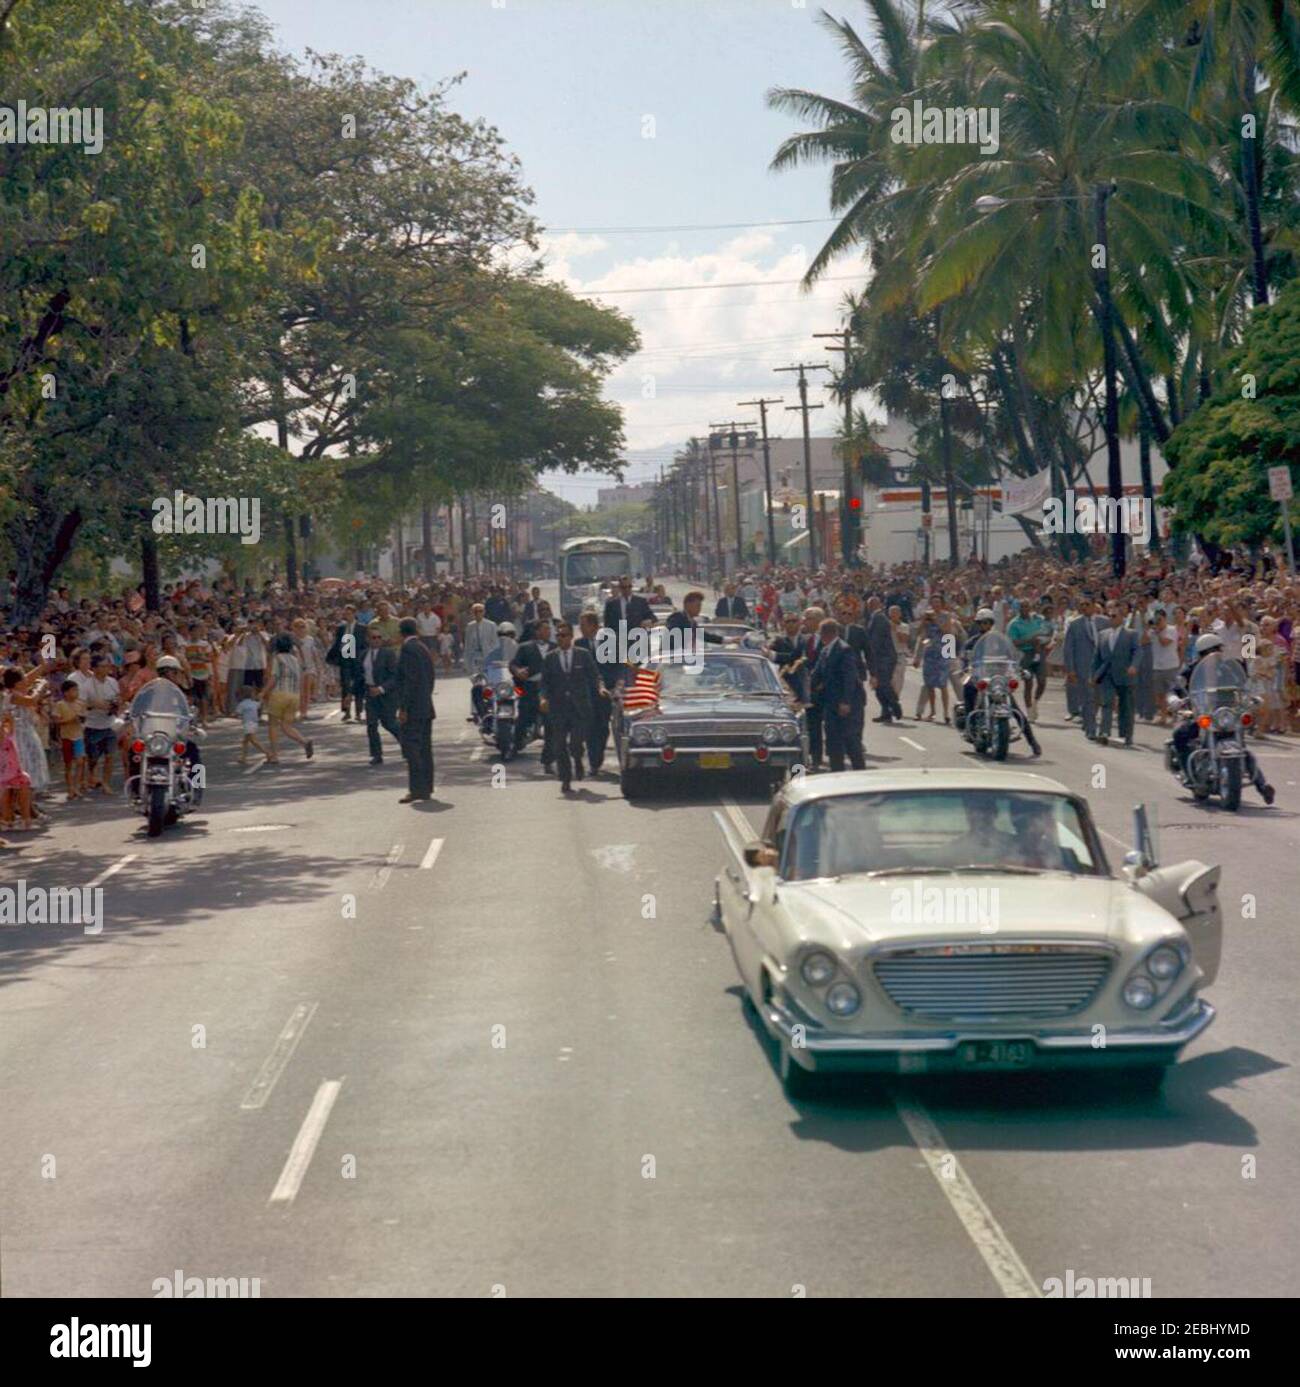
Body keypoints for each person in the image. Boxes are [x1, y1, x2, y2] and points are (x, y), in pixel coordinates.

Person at [541, 621, 601, 792]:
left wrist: (601, 688)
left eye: (564, 635)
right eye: (558, 636)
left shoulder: (583, 655)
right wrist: (543, 698)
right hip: (558, 708)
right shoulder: (550, 657)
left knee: (575, 743)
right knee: (559, 745)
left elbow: (594, 676)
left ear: (571, 637)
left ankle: (577, 759)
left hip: (579, 708)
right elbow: (544, 682)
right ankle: (565, 778)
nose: (561, 638)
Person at [809, 618, 866, 771]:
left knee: (850, 740)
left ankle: (860, 773)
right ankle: (837, 773)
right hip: (831, 702)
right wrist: (804, 691)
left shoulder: (844, 649)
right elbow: (817, 675)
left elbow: (850, 678)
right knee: (833, 740)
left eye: (821, 633)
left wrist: (845, 702)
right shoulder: (826, 650)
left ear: (826, 633)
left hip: (846, 703)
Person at [395, 617, 436, 802]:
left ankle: (418, 788)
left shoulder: (408, 649)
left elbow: (409, 681)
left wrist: (404, 708)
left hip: (414, 708)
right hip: (425, 704)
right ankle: (426, 787)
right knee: (425, 749)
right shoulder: (422, 648)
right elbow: (430, 677)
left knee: (412, 749)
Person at [1091, 603, 1139, 748]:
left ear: (1122, 618)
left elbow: (1137, 652)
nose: (1111, 619)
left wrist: (1134, 666)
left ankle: (1127, 735)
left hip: (1125, 674)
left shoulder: (1131, 634)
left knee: (1126, 707)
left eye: (1114, 616)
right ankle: (1104, 732)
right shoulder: (1103, 634)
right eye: (1109, 616)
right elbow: (1097, 657)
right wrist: (1093, 674)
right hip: (1107, 674)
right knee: (1107, 702)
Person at [574, 610, 616, 773]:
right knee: (590, 727)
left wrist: (612, 684)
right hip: (586, 694)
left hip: (605, 693)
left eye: (583, 625)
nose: (581, 628)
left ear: (593, 626)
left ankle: (598, 753)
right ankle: (594, 762)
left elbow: (617, 666)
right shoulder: (579, 644)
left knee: (603, 727)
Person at [262, 634, 314, 763]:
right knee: (286, 725)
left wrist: (263, 692)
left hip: (279, 694)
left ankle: (274, 755)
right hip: (294, 696)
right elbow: (300, 678)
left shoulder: (277, 659)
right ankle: (304, 741)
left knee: (273, 725)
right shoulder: (295, 660)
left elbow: (274, 678)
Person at [1062, 597, 1106, 741]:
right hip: (1083, 667)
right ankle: (1091, 729)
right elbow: (1068, 648)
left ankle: (1088, 721)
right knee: (1088, 698)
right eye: (1082, 605)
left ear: (1094, 606)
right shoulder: (1074, 625)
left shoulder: (1104, 622)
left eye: (1087, 604)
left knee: (1098, 698)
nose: (1084, 607)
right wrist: (1071, 669)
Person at [510, 617, 553, 762]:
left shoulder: (555, 647)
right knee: (522, 719)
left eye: (549, 629)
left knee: (551, 723)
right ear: (537, 631)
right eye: (545, 629)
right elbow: (514, 664)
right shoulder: (525, 647)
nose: (548, 632)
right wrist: (518, 671)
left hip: (549, 691)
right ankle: (515, 746)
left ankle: (548, 756)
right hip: (530, 688)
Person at [359, 624, 401, 766]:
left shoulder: (388, 654)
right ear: (368, 639)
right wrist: (350, 694)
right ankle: (376, 755)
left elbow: (395, 676)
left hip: (386, 694)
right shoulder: (363, 654)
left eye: (379, 637)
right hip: (370, 694)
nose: (376, 640)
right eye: (373, 637)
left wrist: (382, 688)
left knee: (389, 723)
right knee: (371, 725)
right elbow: (360, 676)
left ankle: (408, 745)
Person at [53, 678, 88, 800]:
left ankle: (76, 786)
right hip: (66, 737)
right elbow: (57, 721)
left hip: (78, 735)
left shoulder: (81, 703)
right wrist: (70, 720)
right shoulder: (60, 705)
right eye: (73, 690)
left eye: (77, 690)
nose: (76, 692)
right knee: (68, 764)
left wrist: (81, 719)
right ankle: (70, 788)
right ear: (66, 692)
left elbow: (84, 717)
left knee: (80, 762)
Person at [328, 605, 365, 721]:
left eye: (349, 613)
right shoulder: (341, 628)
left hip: (357, 659)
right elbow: (337, 643)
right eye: (346, 614)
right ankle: (347, 711)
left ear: (354, 614)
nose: (347, 616)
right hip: (345, 658)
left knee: (358, 685)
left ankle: (358, 712)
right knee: (346, 685)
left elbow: (364, 645)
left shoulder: (361, 628)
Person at [236, 684, 271, 765]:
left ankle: (267, 753)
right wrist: (261, 698)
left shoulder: (242, 704)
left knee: (254, 741)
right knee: (245, 741)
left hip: (248, 723)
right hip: (254, 723)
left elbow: (237, 713)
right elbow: (259, 705)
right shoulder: (254, 703)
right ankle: (243, 758)